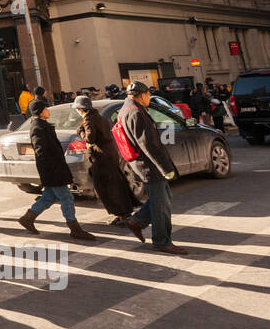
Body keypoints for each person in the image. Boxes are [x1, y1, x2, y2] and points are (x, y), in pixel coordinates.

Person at [119, 82, 188, 254]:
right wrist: (165, 167)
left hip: (144, 164)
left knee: (163, 198)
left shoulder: (128, 109)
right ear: (141, 95)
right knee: (161, 205)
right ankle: (161, 241)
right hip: (148, 166)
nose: (149, 97)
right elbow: (148, 144)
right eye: (148, 94)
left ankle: (137, 222)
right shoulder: (135, 112)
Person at [17, 100, 96, 240]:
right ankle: (75, 228)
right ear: (40, 112)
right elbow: (41, 152)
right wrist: (54, 170)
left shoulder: (42, 126)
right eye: (46, 109)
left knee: (49, 197)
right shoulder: (38, 128)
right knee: (66, 197)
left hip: (54, 169)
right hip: (52, 171)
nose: (48, 111)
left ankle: (28, 218)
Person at [74, 95, 137, 223]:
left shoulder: (88, 119)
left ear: (80, 109)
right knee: (115, 185)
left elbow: (90, 138)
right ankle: (122, 213)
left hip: (102, 158)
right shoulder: (99, 117)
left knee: (107, 187)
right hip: (109, 155)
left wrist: (80, 131)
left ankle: (121, 214)